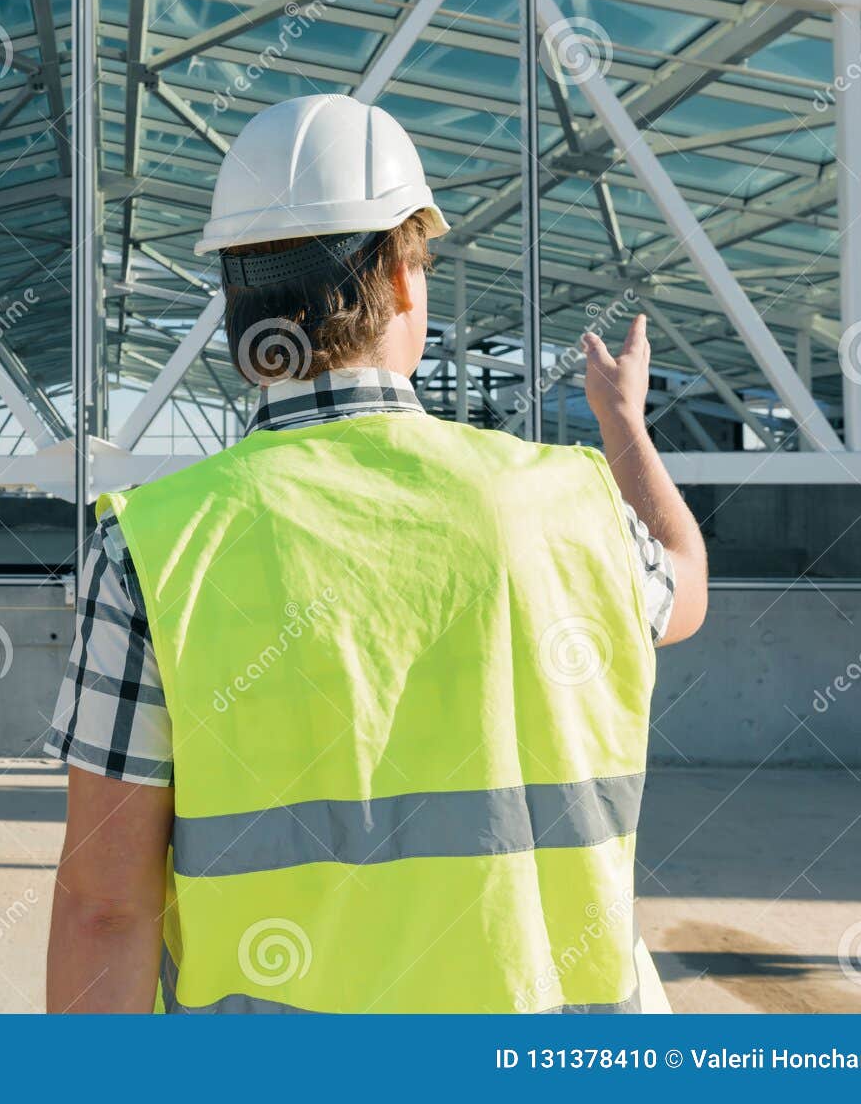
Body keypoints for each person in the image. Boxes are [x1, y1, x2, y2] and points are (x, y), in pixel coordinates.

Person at [44, 94, 708, 1013]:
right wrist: (622, 424)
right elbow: (686, 584)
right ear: (400, 277)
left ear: (237, 304)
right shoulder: (571, 503)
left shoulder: (152, 548)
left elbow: (106, 908)